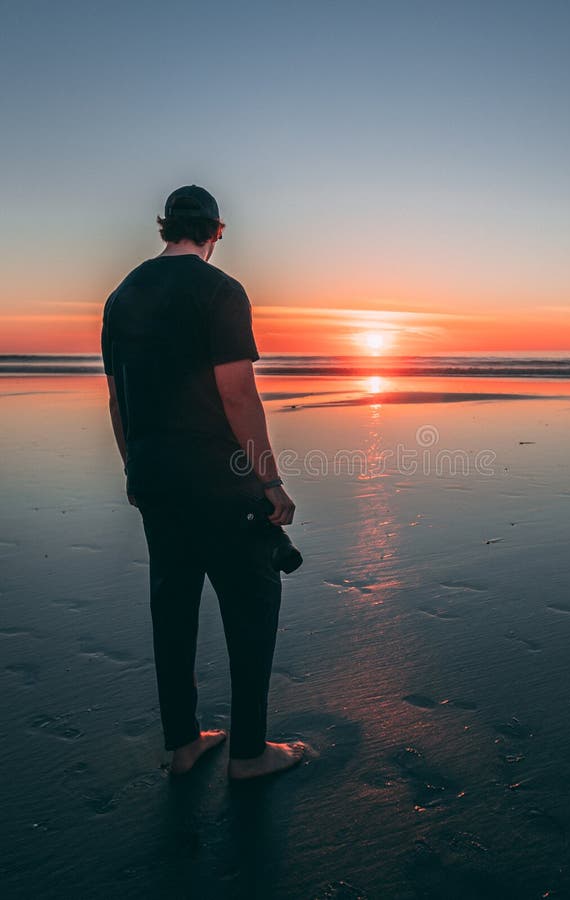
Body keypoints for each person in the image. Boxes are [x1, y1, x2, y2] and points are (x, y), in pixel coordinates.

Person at [101, 185, 306, 778]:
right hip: (220, 480)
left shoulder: (121, 296)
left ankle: (183, 743)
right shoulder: (220, 290)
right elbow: (237, 392)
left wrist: (133, 469)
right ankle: (248, 753)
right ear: (216, 231)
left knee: (172, 606)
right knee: (252, 606)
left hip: (154, 477)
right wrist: (270, 482)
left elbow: (119, 401)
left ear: (166, 228)